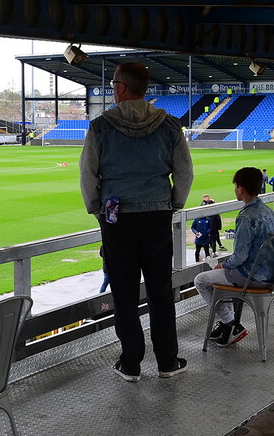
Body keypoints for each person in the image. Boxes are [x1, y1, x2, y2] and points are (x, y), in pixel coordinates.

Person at [80, 62, 193, 381]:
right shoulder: (170, 125)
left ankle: (131, 363)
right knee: (160, 292)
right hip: (157, 215)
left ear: (120, 87)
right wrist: (173, 204)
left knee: (125, 295)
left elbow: (88, 176)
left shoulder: (100, 126)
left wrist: (97, 209)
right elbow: (184, 173)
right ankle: (167, 362)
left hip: (118, 219)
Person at [194, 167, 274, 348]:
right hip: (273, 275)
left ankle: (230, 323)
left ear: (241, 188)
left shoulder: (246, 216)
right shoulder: (269, 212)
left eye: (235, 186)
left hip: (252, 276)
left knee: (201, 280)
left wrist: (223, 265)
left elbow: (239, 257)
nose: (235, 189)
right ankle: (228, 326)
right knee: (221, 277)